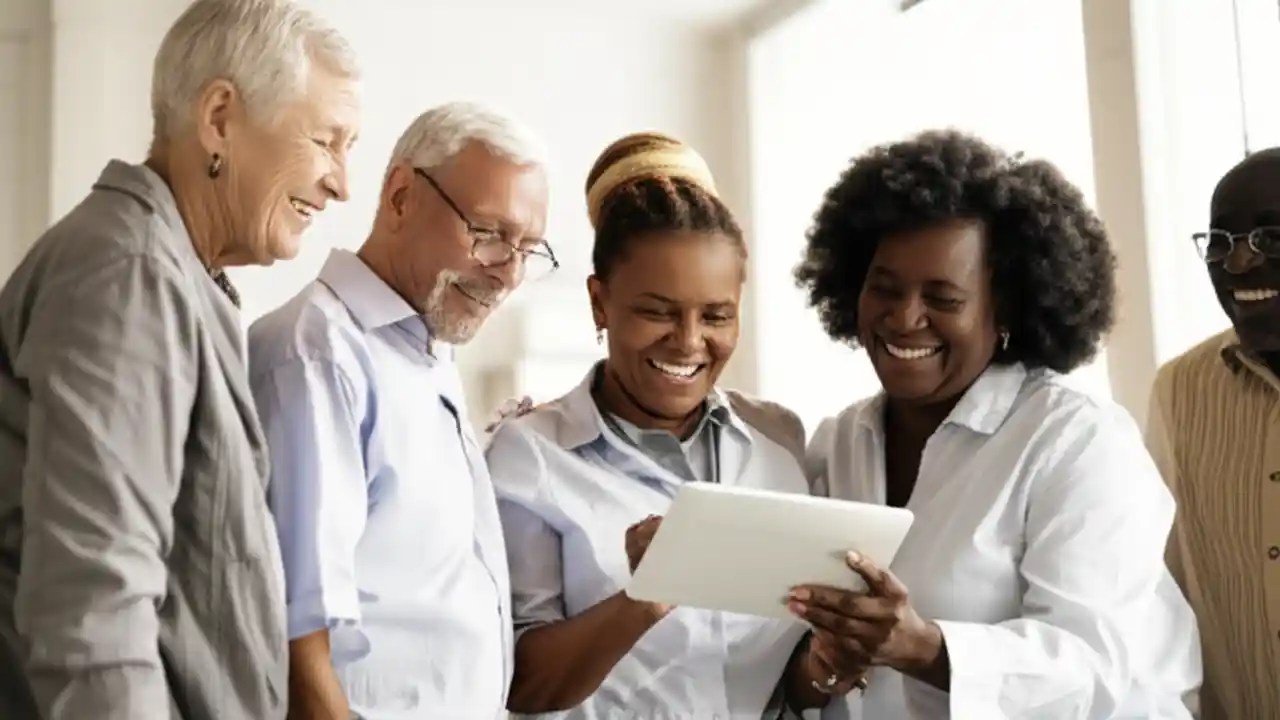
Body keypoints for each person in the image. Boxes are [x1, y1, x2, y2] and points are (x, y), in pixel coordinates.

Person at [0, 1, 359, 717]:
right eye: (327, 142)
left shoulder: (175, 271)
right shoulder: (128, 269)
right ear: (220, 116)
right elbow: (92, 611)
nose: (341, 183)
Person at [790, 130, 1201, 719]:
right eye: (884, 289)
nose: (905, 318)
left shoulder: (1077, 441)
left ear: (1003, 307)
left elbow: (1091, 666)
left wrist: (922, 647)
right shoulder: (838, 444)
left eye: (943, 298)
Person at [485, 132, 850, 719]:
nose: (687, 342)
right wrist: (645, 596)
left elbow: (787, 684)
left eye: (716, 316)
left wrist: (835, 657)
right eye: (656, 312)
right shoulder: (529, 455)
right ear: (600, 303)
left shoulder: (778, 441)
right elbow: (519, 683)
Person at [248, 102, 550, 719]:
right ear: (401, 195)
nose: (508, 273)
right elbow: (297, 637)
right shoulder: (317, 355)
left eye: (529, 248)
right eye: (489, 234)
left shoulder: (423, 350)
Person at [1146, 148, 1280, 719]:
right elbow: (1163, 588)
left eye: (1270, 239)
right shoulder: (1179, 390)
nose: (1239, 264)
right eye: (1221, 242)